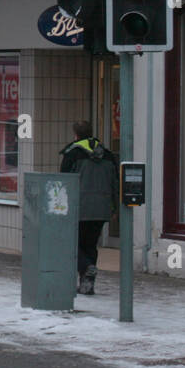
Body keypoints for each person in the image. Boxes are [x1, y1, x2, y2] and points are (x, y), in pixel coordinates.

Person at [60, 121, 119, 295]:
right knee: (90, 244)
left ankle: (87, 267)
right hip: (101, 208)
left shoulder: (73, 154)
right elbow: (115, 183)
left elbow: (64, 183)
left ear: (76, 135)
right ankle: (87, 284)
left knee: (70, 243)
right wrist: (114, 208)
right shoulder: (107, 155)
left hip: (79, 207)